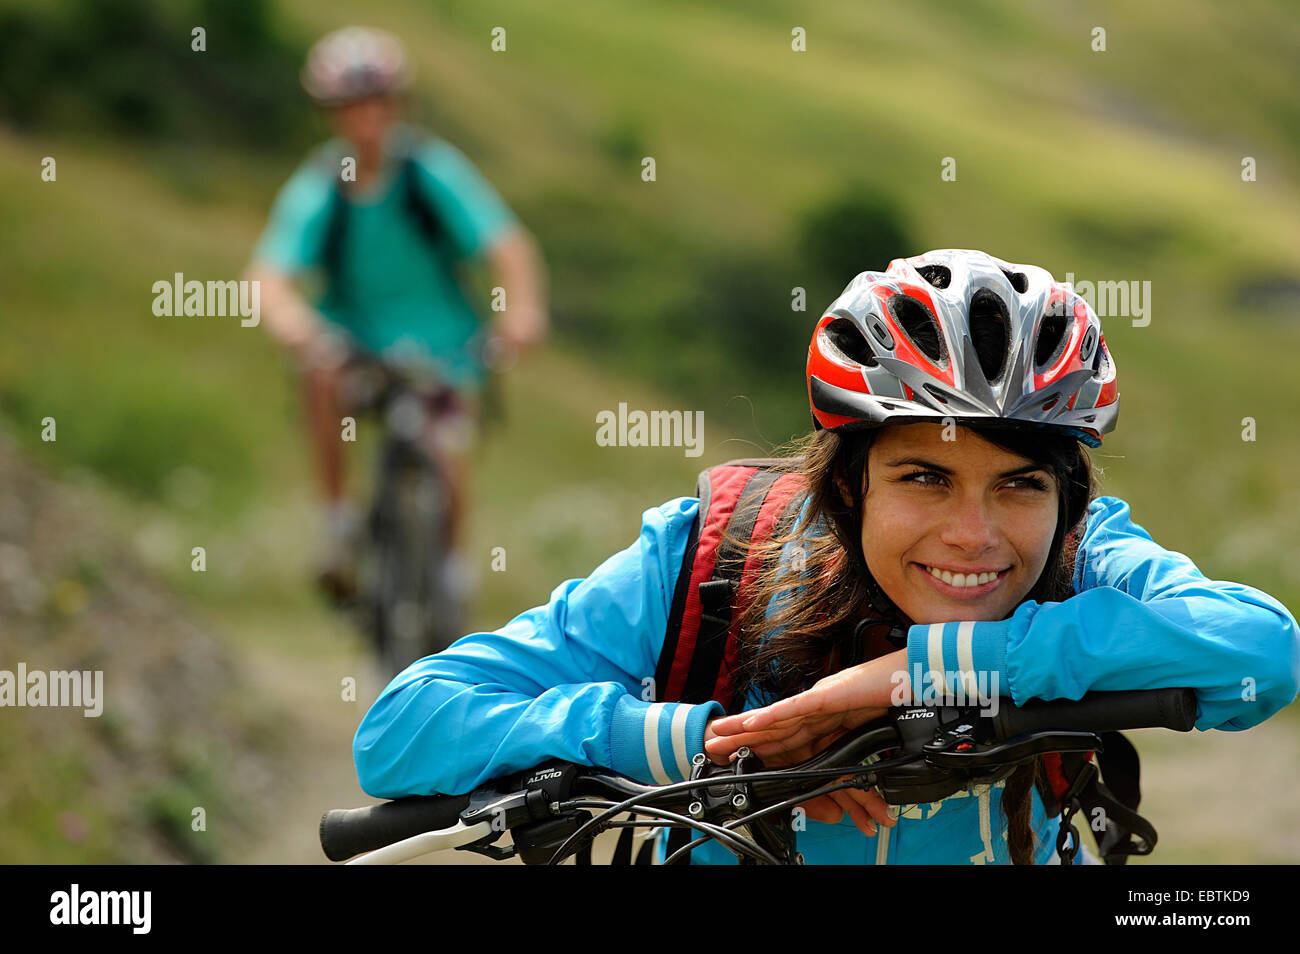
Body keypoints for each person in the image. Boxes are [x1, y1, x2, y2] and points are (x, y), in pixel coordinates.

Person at [351, 249, 1299, 864]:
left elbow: (1263, 653)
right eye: (924, 479)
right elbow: (400, 731)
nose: (974, 535)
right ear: (844, 490)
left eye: (1020, 484)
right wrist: (700, 742)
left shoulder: (1086, 551)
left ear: (1068, 496)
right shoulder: (718, 555)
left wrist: (916, 677)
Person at [245, 26, 548, 600]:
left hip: (445, 346)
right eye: (350, 106)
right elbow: (269, 272)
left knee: (445, 439)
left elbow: (508, 247)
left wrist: (522, 313)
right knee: (321, 375)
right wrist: (292, 323)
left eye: (377, 103)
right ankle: (336, 527)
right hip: (353, 343)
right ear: (332, 114)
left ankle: (450, 578)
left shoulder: (431, 171)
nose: (366, 119)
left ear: (397, 104)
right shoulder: (322, 183)